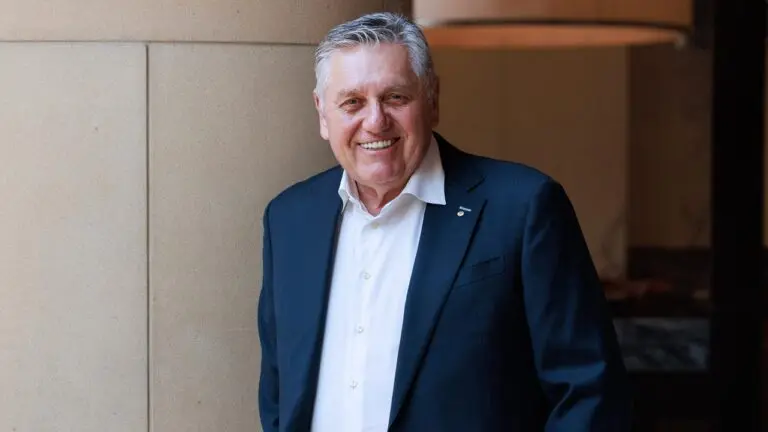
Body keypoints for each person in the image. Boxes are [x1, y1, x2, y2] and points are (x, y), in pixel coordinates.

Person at [257, 12, 632, 432]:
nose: (375, 121)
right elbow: (278, 389)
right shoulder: (289, 219)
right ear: (323, 114)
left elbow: (588, 391)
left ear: (432, 99)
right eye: (352, 103)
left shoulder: (523, 208)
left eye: (395, 97)